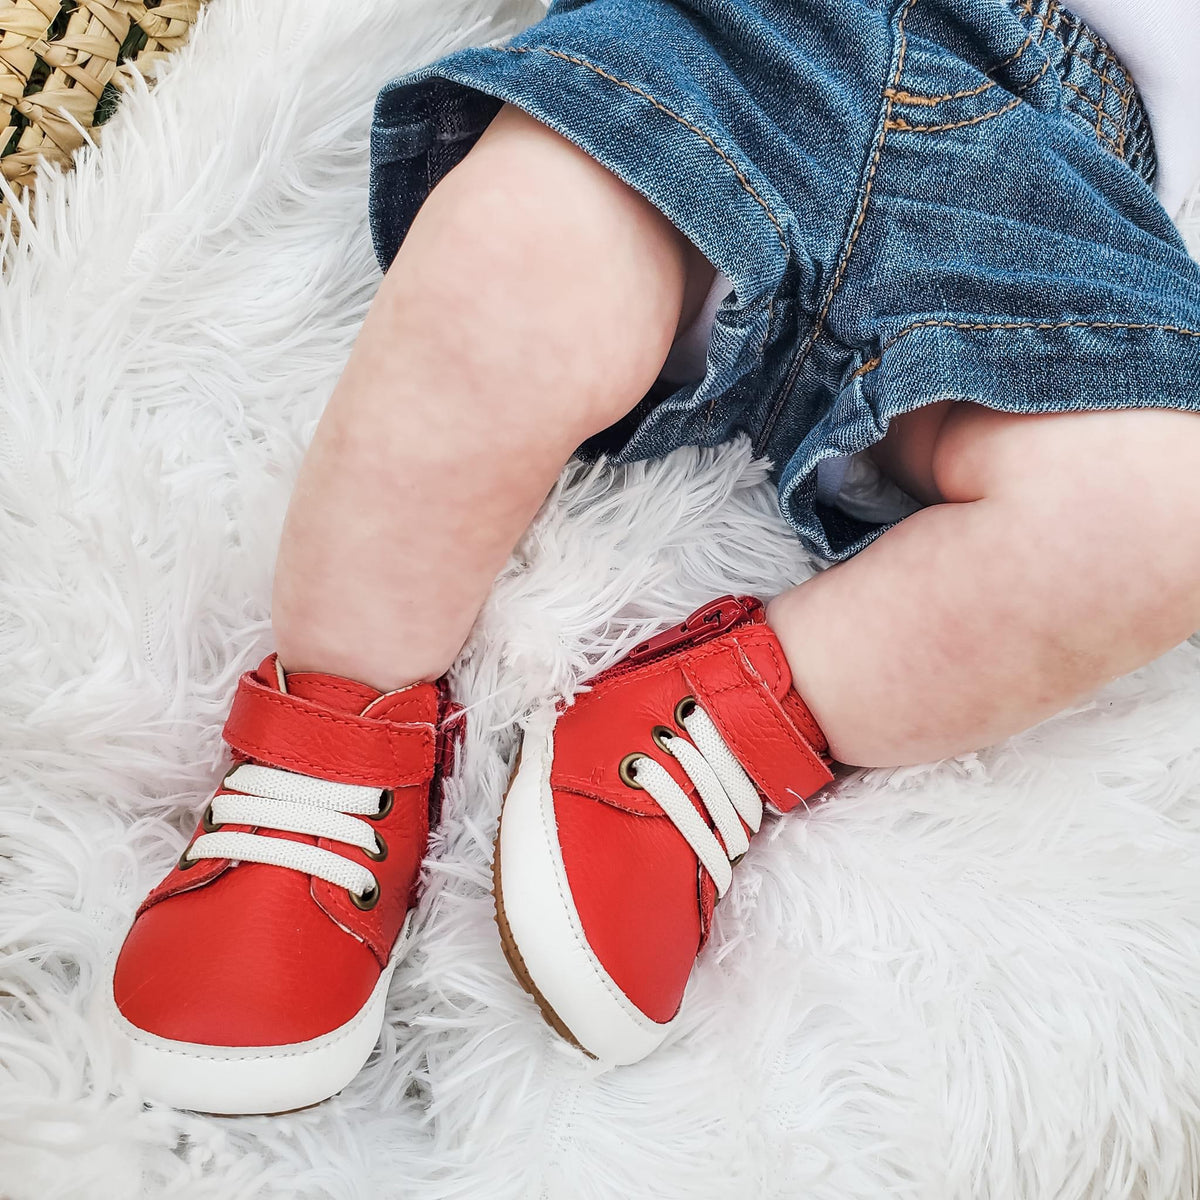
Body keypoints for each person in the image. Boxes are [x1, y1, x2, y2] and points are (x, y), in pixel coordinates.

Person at [106, 0, 1200, 1113]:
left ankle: (724, 722)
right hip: (731, 41)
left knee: (1169, 507)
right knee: (512, 253)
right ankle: (332, 741)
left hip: (1059, 191)